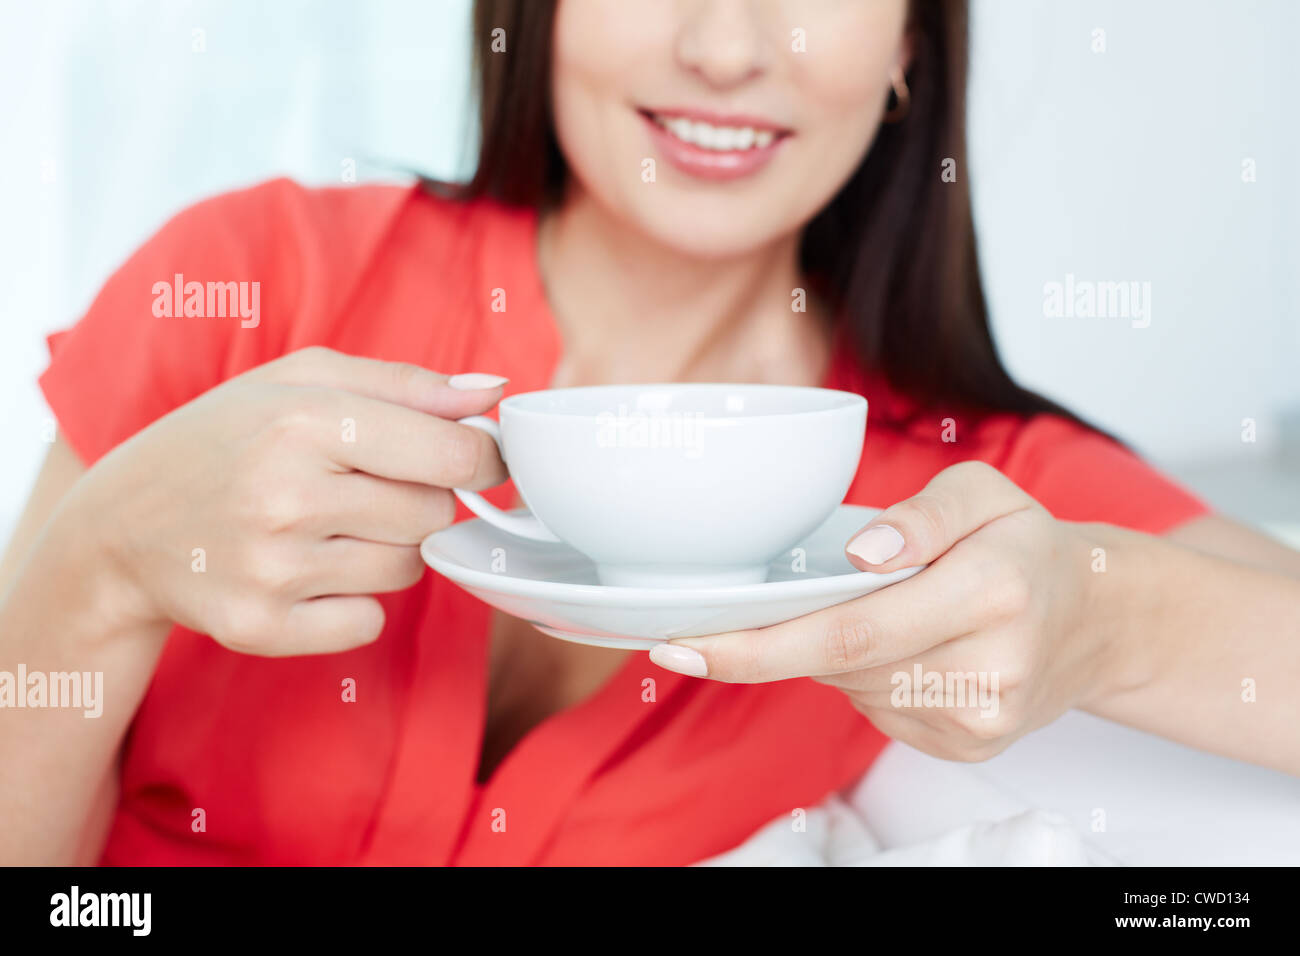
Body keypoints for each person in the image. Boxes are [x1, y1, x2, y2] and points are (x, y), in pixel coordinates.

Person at [1, 0, 1296, 866]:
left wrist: (1103, 620)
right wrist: (99, 568)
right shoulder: (256, 287)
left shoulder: (956, 481)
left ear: (913, 40)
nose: (725, 48)